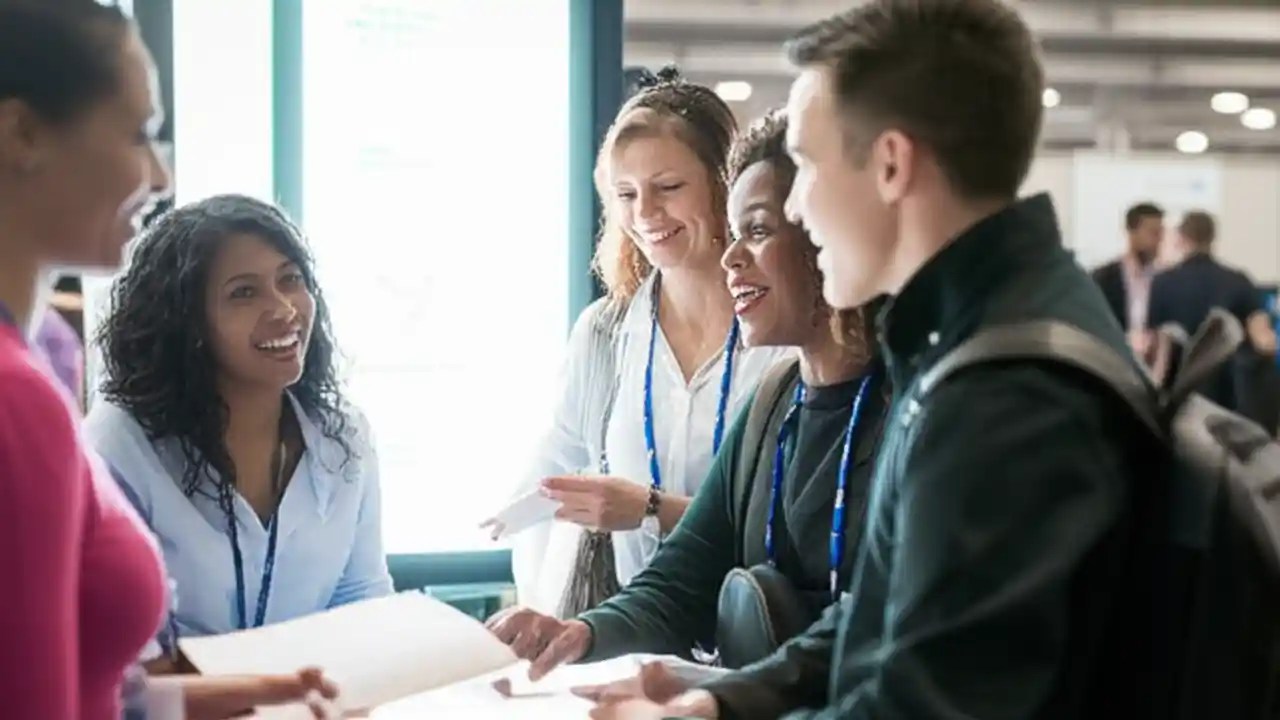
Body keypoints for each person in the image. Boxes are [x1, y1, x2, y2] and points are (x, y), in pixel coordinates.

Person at [588, 1, 1161, 718]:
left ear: (890, 164)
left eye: (809, 168)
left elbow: (924, 705)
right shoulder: (974, 341)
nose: (802, 207)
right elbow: (879, 620)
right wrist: (719, 704)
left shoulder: (1005, 395)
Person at [0, 1, 335, 717]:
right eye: (141, 133)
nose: (159, 173)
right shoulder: (14, 396)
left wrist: (248, 696)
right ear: (23, 133)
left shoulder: (49, 355)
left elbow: (87, 688)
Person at [488, 110, 888, 679]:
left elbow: (892, 636)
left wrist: (721, 698)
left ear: (828, 235)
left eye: (756, 230)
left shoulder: (919, 410)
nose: (731, 257)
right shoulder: (773, 405)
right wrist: (581, 631)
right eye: (626, 193)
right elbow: (681, 579)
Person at [492, 67, 789, 616]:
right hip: (639, 644)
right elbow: (550, 475)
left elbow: (793, 520)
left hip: (762, 649)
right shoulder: (605, 333)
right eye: (626, 194)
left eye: (669, 188)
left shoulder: (785, 329)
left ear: (725, 184)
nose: (646, 214)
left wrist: (651, 509)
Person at [86, 193, 393, 643]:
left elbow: (363, 596)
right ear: (184, 321)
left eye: (290, 279)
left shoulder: (342, 434)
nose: (285, 309)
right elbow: (124, 650)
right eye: (243, 293)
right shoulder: (120, 443)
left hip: (316, 707)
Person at [1148, 210, 1279, 410]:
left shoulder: (1163, 283)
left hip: (1182, 399)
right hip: (1229, 399)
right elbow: (1264, 342)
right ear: (1213, 238)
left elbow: (1161, 352)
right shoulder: (1238, 280)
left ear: (1181, 237)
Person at [1092, 201, 1165, 361]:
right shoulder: (1102, 278)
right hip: (1113, 362)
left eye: (1161, 234)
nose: (1159, 241)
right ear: (1131, 232)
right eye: (1153, 233)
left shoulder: (1167, 280)